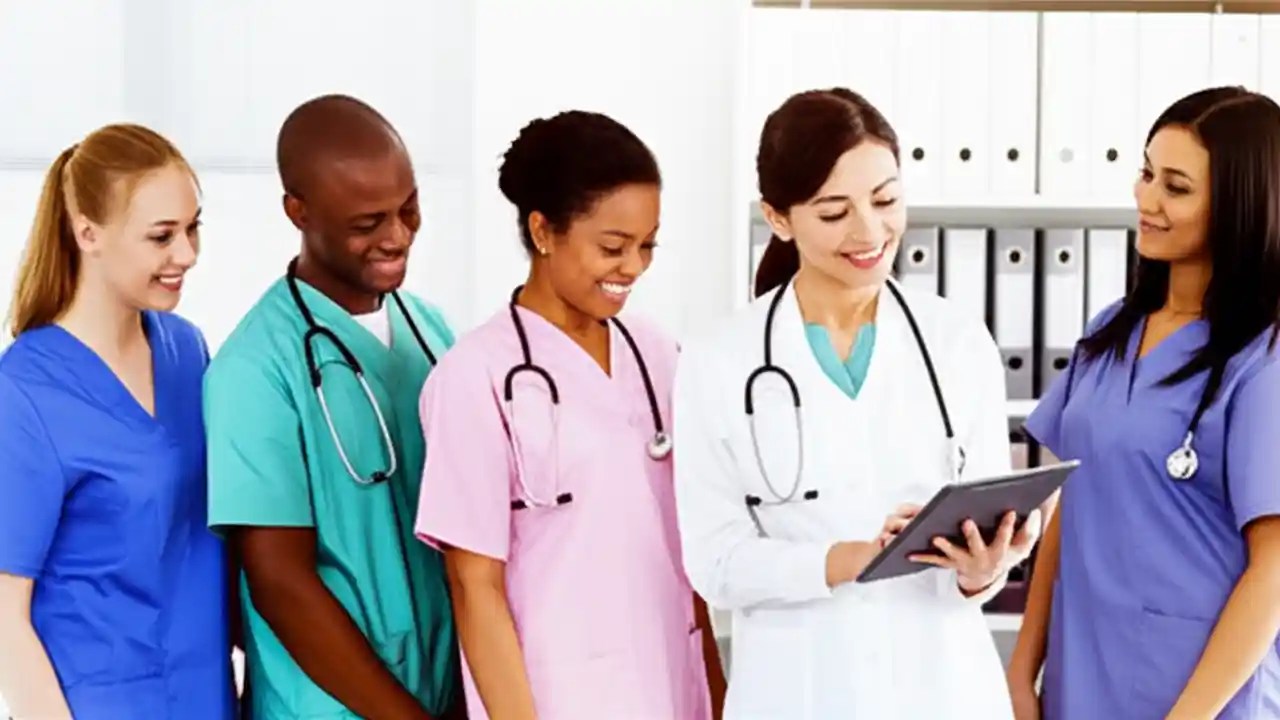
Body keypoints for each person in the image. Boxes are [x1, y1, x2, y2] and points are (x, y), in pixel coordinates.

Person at [672, 87, 1046, 719]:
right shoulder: (719, 359)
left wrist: (985, 567)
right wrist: (850, 560)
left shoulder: (956, 340)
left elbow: (976, 556)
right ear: (779, 218)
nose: (870, 231)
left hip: (944, 689)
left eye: (886, 200)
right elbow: (715, 564)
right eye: (833, 211)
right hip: (802, 691)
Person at [413, 109, 726, 720]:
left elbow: (691, 562)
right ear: (543, 231)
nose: (632, 267)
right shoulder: (474, 378)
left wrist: (716, 699)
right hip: (555, 696)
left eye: (646, 246)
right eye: (612, 247)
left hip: (670, 685)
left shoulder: (659, 354)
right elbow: (474, 588)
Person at [1008, 86, 1280, 719]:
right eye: (1146, 172)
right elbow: (1070, 502)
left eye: (1176, 187)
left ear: (1240, 207)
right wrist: (1022, 671)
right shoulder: (1109, 334)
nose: (1146, 199)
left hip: (1198, 694)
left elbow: (1274, 572)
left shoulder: (1262, 360)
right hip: (1082, 679)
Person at [203, 95, 462, 719]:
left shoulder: (432, 333)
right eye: (366, 222)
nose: (397, 235)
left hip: (443, 688)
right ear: (299, 211)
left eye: (408, 208)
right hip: (326, 707)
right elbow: (280, 584)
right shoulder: (256, 367)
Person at [0, 124, 234, 718]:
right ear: (88, 234)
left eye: (192, 228)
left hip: (205, 696)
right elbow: (5, 615)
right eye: (162, 236)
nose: (186, 254)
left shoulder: (187, 351)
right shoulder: (27, 391)